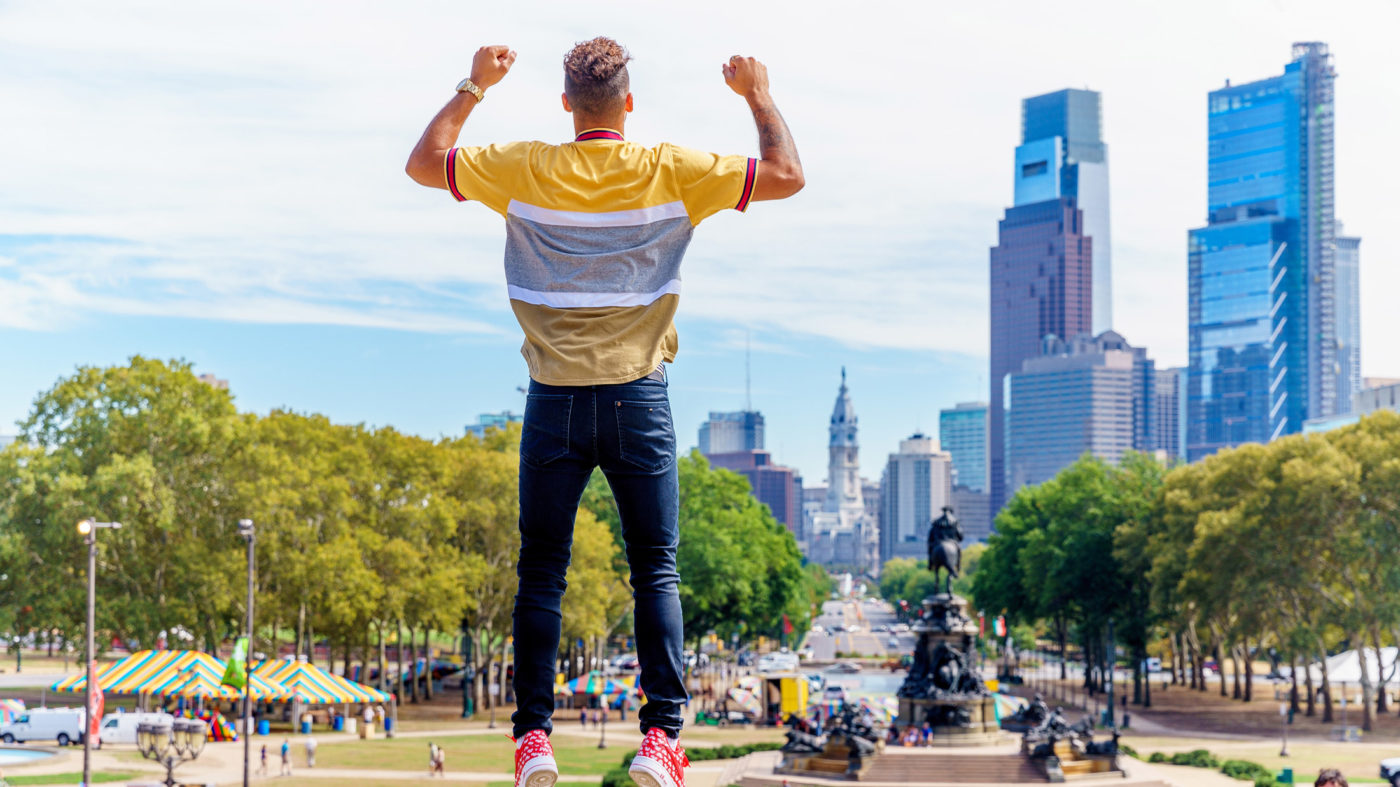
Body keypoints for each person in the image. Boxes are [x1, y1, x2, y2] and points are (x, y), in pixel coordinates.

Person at [406, 36, 802, 787]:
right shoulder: (670, 169)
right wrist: (757, 95)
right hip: (636, 395)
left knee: (541, 574)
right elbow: (786, 174)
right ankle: (662, 740)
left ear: (566, 105)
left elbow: (426, 163)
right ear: (627, 103)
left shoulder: (524, 166)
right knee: (655, 568)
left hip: (552, 398)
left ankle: (534, 742)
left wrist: (473, 85)